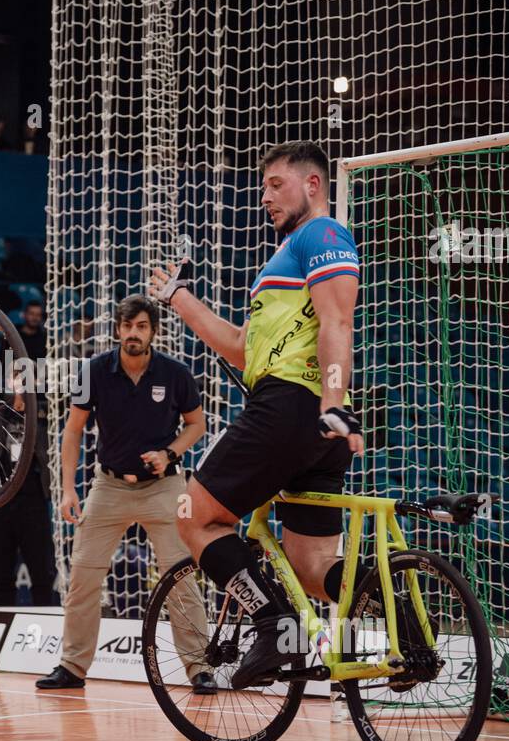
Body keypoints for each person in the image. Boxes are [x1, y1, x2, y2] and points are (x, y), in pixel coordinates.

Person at [147, 141, 365, 689]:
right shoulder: (287, 256)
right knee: (313, 571)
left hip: (292, 408)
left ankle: (272, 623)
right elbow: (243, 349)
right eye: (263, 186)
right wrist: (179, 298)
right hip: (311, 428)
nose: (264, 196)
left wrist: (335, 402)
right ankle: (406, 625)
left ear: (312, 185)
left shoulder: (322, 232)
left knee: (191, 515)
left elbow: (339, 322)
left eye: (276, 184)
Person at [36, 294, 211, 691]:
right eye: (128, 326)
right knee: (82, 576)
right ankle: (72, 667)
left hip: (164, 486)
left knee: (180, 577)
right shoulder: (93, 371)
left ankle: (199, 667)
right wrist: (67, 490)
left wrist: (170, 453)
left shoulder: (176, 373)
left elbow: (196, 425)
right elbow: (74, 430)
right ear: (117, 329)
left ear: (154, 331)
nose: (134, 333)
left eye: (142, 326)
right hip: (109, 485)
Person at [0, 373, 56, 607]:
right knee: (1, 574)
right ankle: (4, 627)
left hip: (32, 498)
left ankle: (44, 627)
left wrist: (31, 402)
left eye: (23, 380)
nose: (17, 384)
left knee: (41, 573)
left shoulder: (43, 412)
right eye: (13, 379)